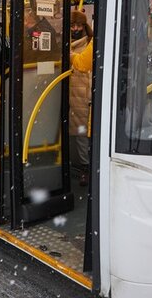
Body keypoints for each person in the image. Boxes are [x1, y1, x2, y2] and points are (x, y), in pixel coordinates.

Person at [68, 10, 93, 186]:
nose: (75, 29)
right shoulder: (68, 44)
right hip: (71, 95)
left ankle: (86, 168)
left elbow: (83, 66)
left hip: (83, 96)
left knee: (82, 135)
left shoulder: (88, 45)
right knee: (79, 135)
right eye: (72, 25)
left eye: (79, 25)